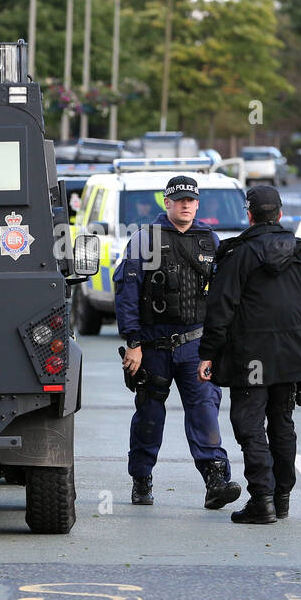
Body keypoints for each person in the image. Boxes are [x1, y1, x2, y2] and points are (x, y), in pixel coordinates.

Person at [199, 185, 301, 524]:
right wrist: (288, 321)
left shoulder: (237, 254)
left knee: (249, 424)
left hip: (249, 353)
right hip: (291, 353)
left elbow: (220, 308)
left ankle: (262, 499)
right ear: (281, 214)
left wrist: (208, 354)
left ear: (249, 215)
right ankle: (281, 498)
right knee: (282, 423)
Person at [114, 174, 242, 510]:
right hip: (153, 346)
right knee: (149, 415)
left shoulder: (209, 240)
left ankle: (216, 480)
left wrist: (220, 346)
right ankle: (141, 479)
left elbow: (223, 298)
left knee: (204, 411)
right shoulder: (146, 240)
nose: (185, 205)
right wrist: (134, 342)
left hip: (196, 345)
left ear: (197, 204)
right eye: (179, 200)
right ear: (166, 203)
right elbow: (127, 293)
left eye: (191, 200)